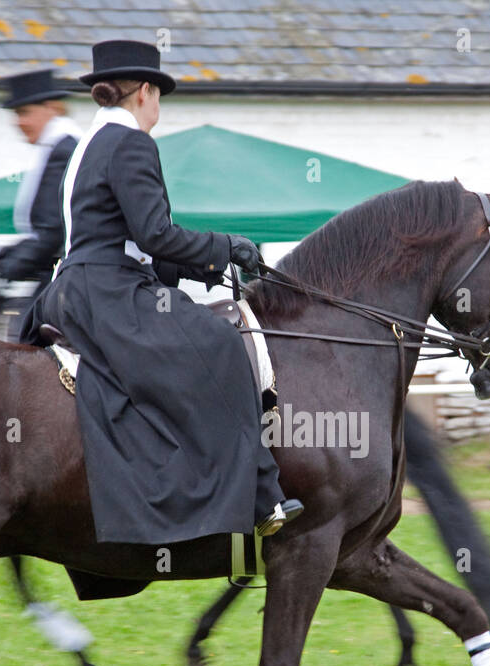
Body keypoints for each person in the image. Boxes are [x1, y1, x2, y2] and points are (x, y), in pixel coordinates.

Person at [37, 39, 301, 544]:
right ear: (147, 92)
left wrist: (203, 268)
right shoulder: (132, 142)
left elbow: (125, 237)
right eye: (160, 97)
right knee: (220, 346)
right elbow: (154, 233)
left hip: (76, 286)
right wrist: (227, 246)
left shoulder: (88, 145)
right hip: (108, 292)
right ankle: (262, 494)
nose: (159, 108)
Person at [0, 70, 82, 341]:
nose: (18, 122)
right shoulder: (56, 147)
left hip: (68, 275)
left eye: (24, 112)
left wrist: (14, 265)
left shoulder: (62, 151)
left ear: (51, 108)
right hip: (58, 271)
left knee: (25, 340)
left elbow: (53, 229)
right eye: (15, 114)